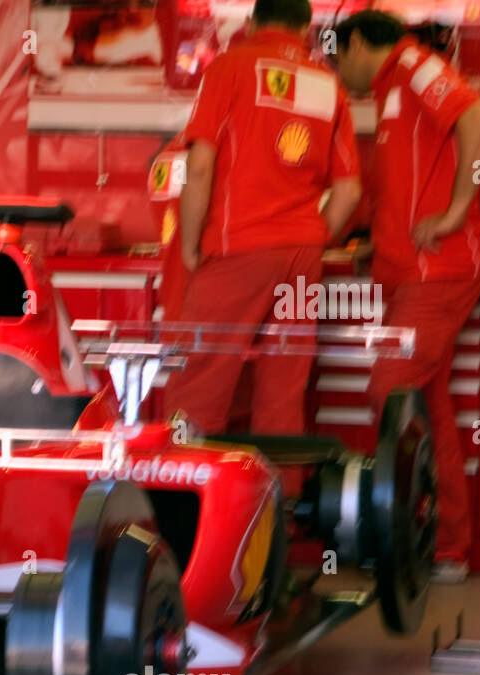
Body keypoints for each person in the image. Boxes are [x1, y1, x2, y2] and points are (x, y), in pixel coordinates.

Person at [330, 10, 480, 583]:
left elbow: (479, 120)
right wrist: (376, 241)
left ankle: (400, 535)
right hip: (409, 273)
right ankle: (446, 545)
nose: (338, 69)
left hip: (440, 270)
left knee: (390, 391)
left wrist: (454, 211)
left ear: (354, 42)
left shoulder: (415, 65)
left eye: (337, 55)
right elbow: (409, 178)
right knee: (428, 408)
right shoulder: (391, 87)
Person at [165, 0, 361, 464]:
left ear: (251, 24)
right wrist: (311, 236)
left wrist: (190, 245)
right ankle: (282, 512)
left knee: (200, 379)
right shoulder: (327, 83)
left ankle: (187, 506)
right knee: (284, 383)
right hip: (301, 258)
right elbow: (350, 191)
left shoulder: (229, 68)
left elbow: (201, 164)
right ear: (306, 28)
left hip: (238, 249)